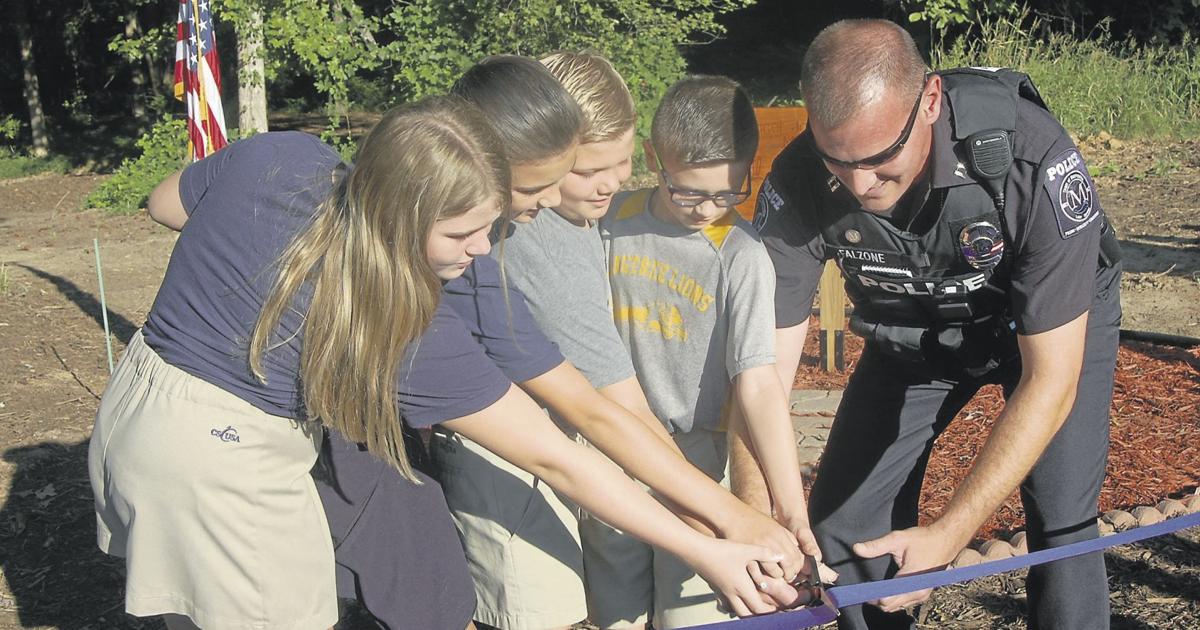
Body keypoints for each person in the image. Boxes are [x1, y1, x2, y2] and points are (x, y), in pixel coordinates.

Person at [88, 95, 785, 630]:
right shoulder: (392, 318)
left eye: (491, 224)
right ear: (396, 212)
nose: (483, 249)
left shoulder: (284, 157)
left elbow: (166, 203)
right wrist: (707, 548)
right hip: (220, 462)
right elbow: (558, 456)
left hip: (136, 401)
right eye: (461, 232)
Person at [749, 18, 1123, 630]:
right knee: (842, 525)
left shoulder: (1031, 156)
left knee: (1062, 525)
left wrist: (951, 533)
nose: (859, 183)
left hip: (1041, 324)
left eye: (879, 159)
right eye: (836, 160)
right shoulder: (799, 178)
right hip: (912, 327)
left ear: (929, 102)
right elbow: (759, 371)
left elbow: (1051, 381)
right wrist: (758, 514)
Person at [428, 55, 806, 630]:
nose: (607, 184)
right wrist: (724, 525)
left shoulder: (590, 221)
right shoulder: (547, 235)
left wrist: (744, 520)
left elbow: (750, 383)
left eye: (621, 162)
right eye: (583, 171)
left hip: (586, 445)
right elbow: (608, 409)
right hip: (522, 450)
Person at [599, 75, 820, 629]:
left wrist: (789, 505)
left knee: (692, 610)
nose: (706, 209)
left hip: (700, 457)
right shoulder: (609, 223)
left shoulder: (741, 256)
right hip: (613, 447)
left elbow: (760, 382)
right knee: (615, 607)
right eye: (688, 192)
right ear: (654, 158)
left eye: (728, 192)